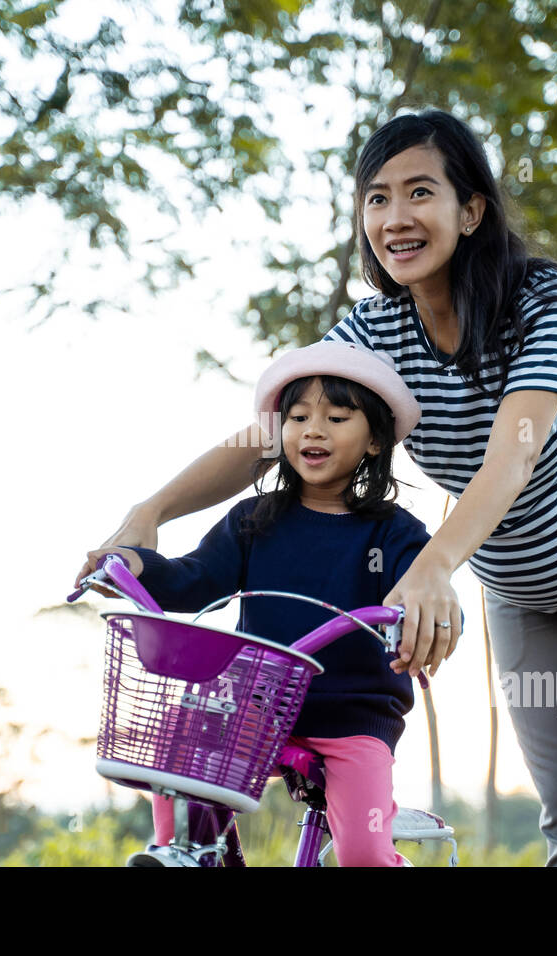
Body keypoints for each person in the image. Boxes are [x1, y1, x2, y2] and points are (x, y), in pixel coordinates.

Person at [78, 108, 557, 866]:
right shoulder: (376, 333)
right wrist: (151, 510)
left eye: (419, 192)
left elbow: (511, 456)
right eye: (377, 198)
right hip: (525, 585)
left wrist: (434, 566)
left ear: (470, 210)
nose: (395, 217)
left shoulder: (543, 305)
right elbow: (268, 434)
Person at [85, 341, 432, 866]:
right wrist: (139, 566)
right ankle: (192, 851)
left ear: (375, 441)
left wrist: (420, 622)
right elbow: (193, 579)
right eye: (297, 417)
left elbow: (425, 598)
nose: (313, 430)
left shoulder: (397, 534)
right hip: (258, 703)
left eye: (337, 417)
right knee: (186, 736)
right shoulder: (254, 520)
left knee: (363, 851)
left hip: (354, 716)